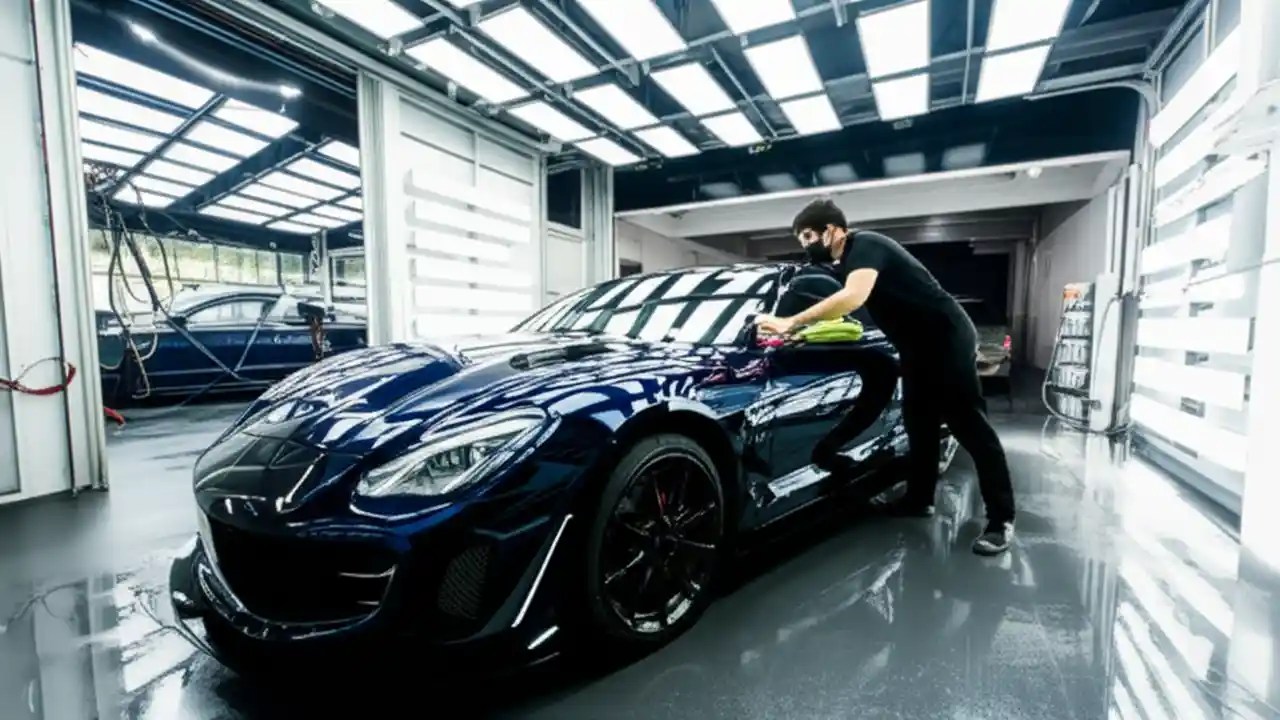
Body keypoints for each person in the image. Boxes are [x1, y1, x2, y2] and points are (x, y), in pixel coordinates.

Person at [754, 199, 1016, 556]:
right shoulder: (846, 262)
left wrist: (791, 321)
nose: (805, 244)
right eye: (801, 238)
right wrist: (800, 335)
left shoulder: (867, 245)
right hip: (915, 347)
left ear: (833, 230)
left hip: (946, 338)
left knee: (969, 425)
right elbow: (843, 317)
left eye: (809, 235)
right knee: (918, 422)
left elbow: (852, 298)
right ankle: (919, 499)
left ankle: (1001, 520)